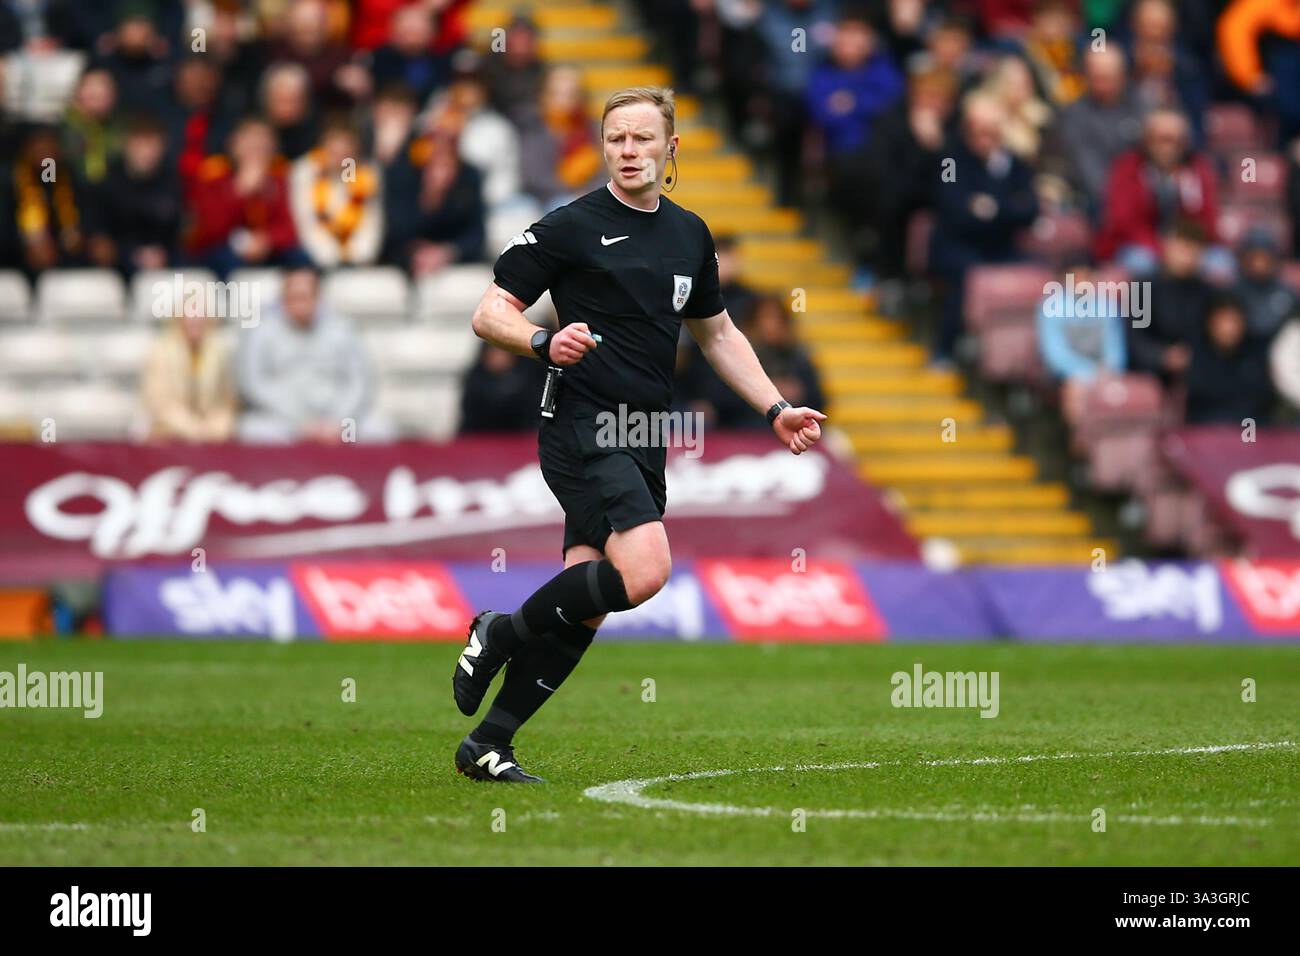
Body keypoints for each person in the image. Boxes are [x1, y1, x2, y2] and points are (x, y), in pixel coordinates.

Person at [452, 86, 826, 782]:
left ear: (670, 148)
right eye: (617, 138)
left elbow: (717, 334)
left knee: (584, 601)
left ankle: (489, 744)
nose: (629, 151)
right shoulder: (570, 226)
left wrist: (776, 408)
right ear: (604, 147)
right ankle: (496, 632)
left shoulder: (690, 234)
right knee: (645, 572)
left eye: (642, 138)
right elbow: (487, 312)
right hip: (580, 423)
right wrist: (540, 340)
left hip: (644, 430)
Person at [235, 265, 383, 443]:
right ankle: (279, 471)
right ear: (283, 300)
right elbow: (254, 384)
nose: (300, 304)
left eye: (305, 297)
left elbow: (360, 381)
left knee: (379, 429)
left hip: (338, 422)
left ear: (318, 298)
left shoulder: (342, 329)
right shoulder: (261, 332)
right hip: (285, 422)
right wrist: (300, 422)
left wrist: (338, 421)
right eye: (294, 298)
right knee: (252, 430)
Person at [140, 302, 238, 442]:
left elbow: (227, 400)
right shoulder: (161, 351)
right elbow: (159, 403)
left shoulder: (219, 351)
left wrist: (218, 425)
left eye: (199, 317)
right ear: (179, 319)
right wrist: (193, 428)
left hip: (210, 432)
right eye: (190, 316)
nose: (195, 321)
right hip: (170, 429)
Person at [1185, 294, 1275, 425]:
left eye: (1234, 321)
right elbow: (1197, 399)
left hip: (1252, 430)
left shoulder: (1258, 354)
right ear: (1210, 323)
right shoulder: (1195, 354)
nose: (1229, 328)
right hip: (1206, 430)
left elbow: (1262, 399)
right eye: (1223, 321)